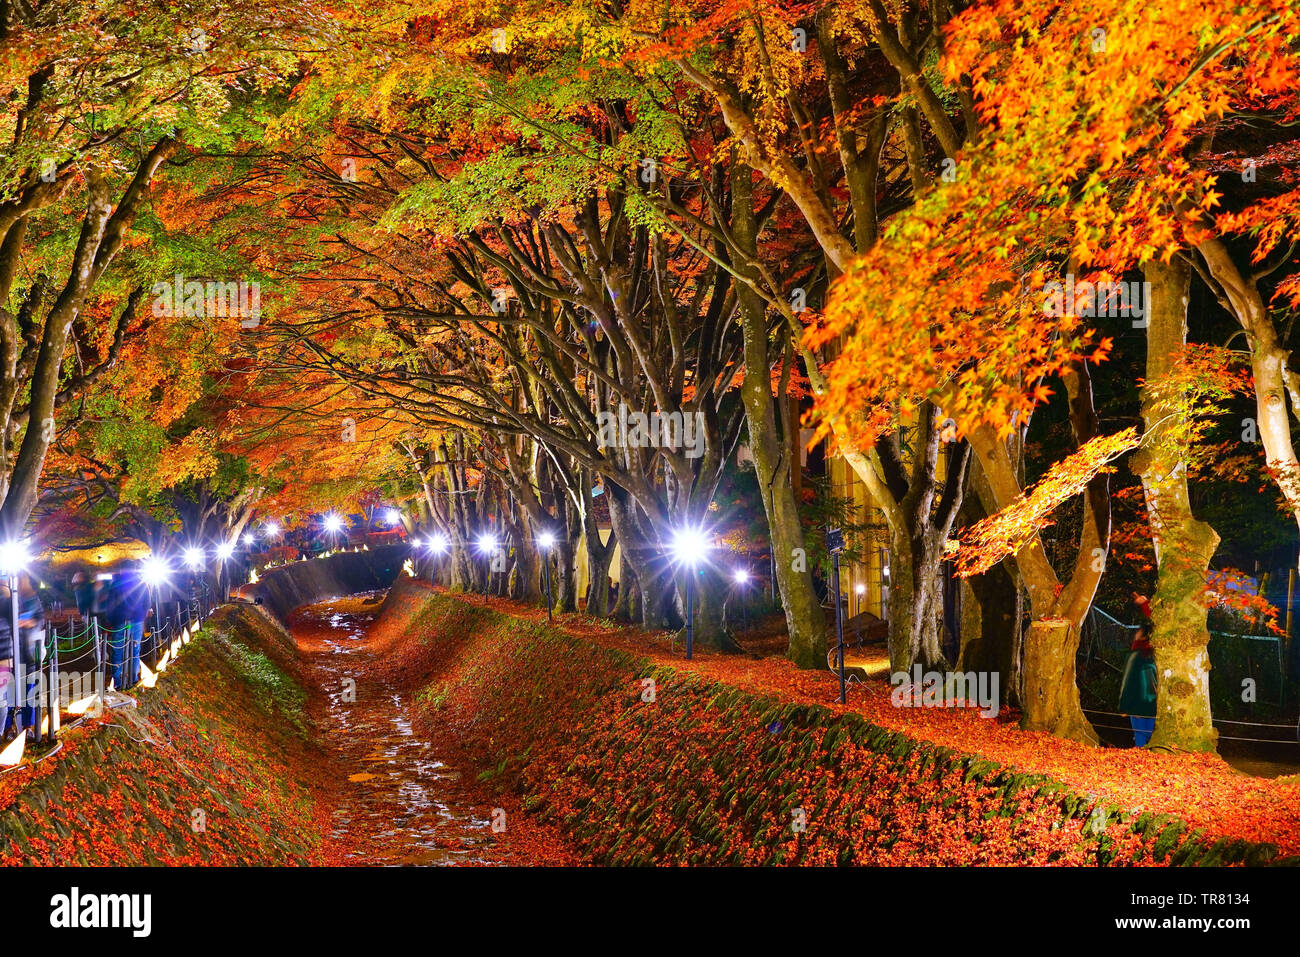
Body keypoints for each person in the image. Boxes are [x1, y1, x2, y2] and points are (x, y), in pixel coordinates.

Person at [1118, 624, 1158, 747]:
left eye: (1138, 632)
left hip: (1137, 703)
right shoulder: (1156, 656)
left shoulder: (1134, 655)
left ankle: (1142, 760)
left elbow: (1128, 682)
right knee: (1151, 734)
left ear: (1142, 636)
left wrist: (1124, 706)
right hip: (1153, 702)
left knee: (1140, 735)